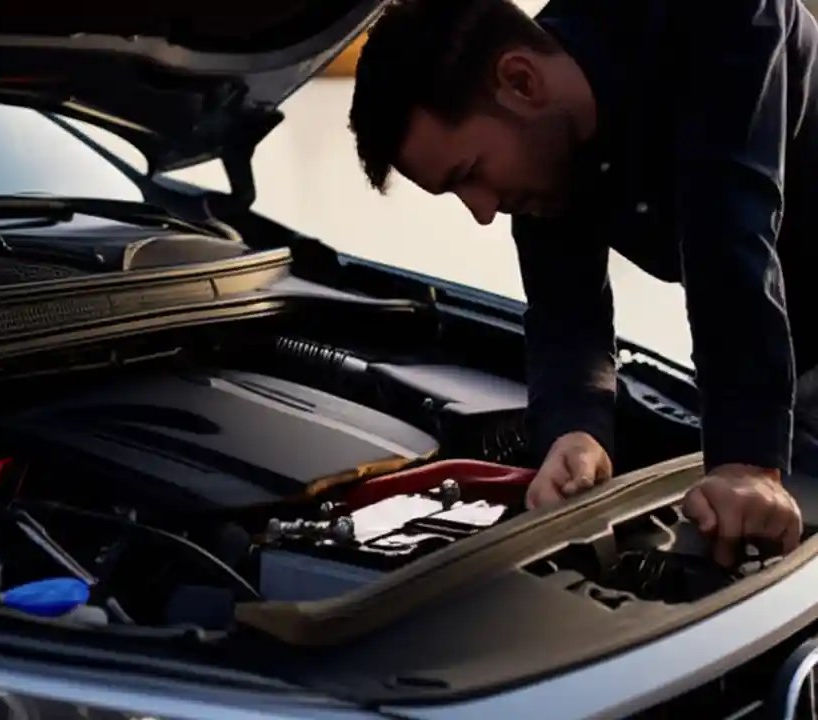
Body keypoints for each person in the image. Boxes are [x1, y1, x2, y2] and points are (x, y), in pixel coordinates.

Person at [347, 0, 817, 565]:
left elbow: (730, 235)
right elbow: (565, 317)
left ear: (520, 81)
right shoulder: (546, 145)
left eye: (470, 174)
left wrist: (746, 461)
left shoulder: (720, 20)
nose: (482, 211)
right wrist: (575, 433)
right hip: (792, 359)